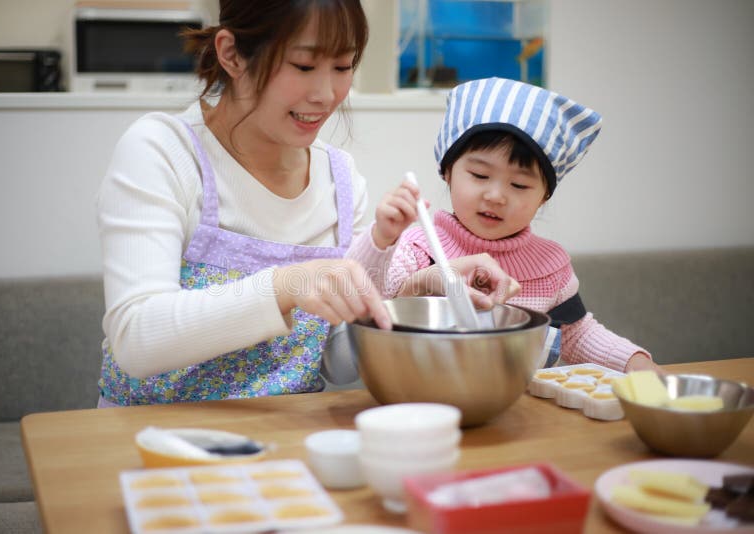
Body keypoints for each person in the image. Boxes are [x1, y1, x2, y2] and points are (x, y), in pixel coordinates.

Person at [95, 1, 517, 407]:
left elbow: (338, 361)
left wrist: (422, 290)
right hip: (154, 444)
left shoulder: (341, 177)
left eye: (343, 66)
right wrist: (285, 286)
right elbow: (136, 339)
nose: (326, 94)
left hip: (287, 447)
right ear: (231, 54)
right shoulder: (163, 150)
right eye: (303, 66)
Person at [383, 77, 660, 373]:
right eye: (479, 175)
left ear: (544, 197)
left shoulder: (550, 266)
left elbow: (577, 335)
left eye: (519, 184)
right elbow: (382, 303)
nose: (496, 196)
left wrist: (637, 362)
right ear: (447, 172)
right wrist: (425, 279)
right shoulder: (416, 247)